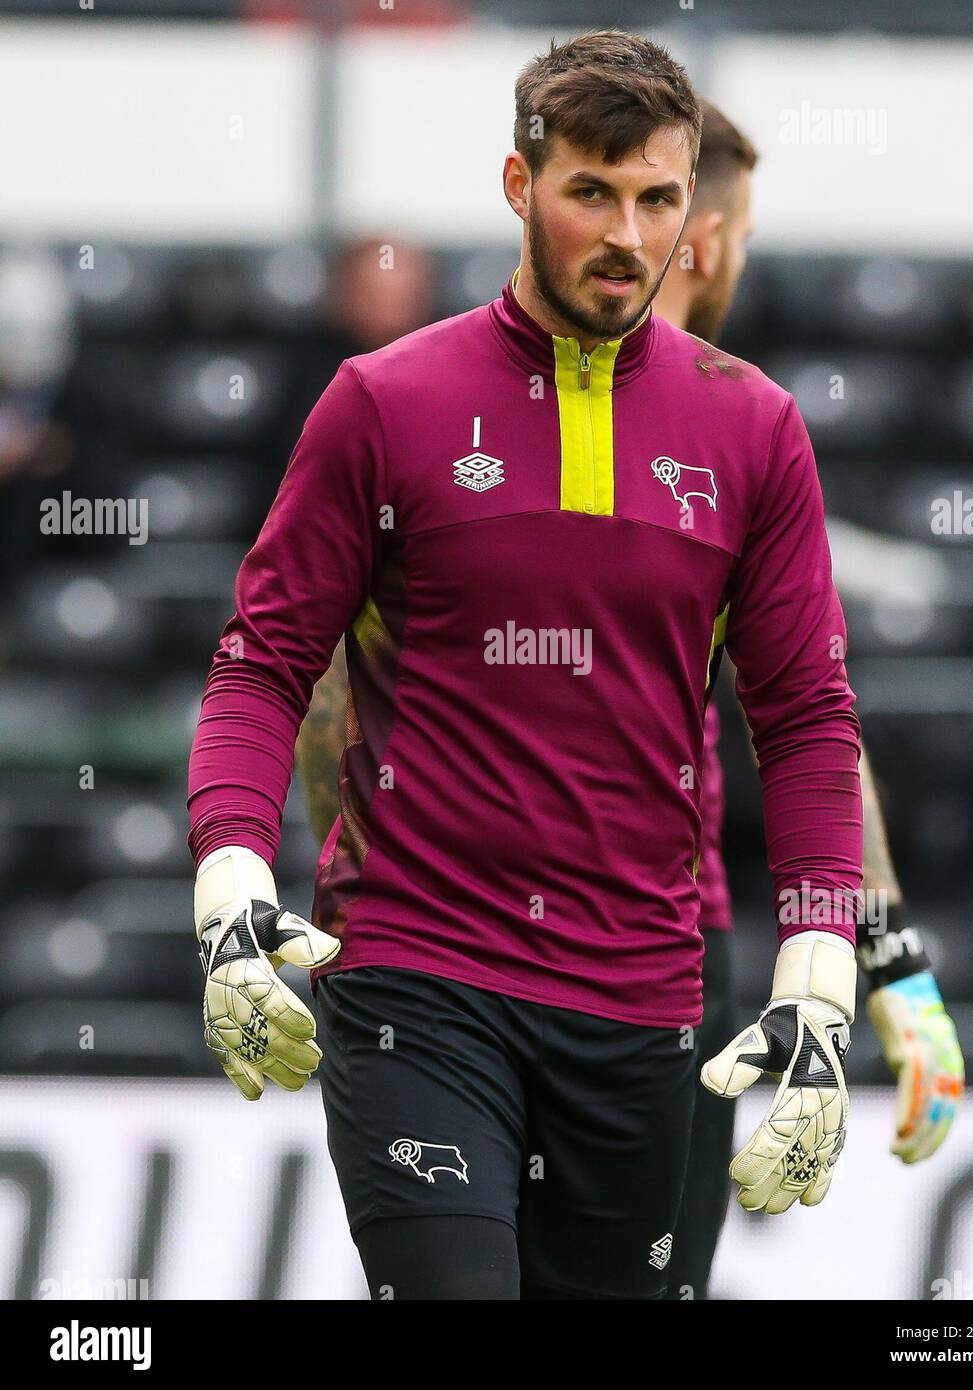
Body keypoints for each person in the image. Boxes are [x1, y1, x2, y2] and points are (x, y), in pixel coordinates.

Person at [189, 30, 865, 1299]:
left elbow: (809, 721)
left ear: (688, 209)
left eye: (657, 196)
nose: (626, 233)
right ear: (519, 185)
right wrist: (227, 879)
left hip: (642, 994)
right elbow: (263, 661)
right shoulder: (384, 401)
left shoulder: (756, 428)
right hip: (417, 973)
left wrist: (822, 980)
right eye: (590, 192)